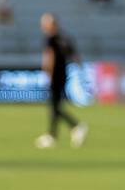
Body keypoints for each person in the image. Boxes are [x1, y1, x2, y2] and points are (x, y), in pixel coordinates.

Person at [36, 12, 87, 149]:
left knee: (55, 106)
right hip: (64, 75)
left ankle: (75, 126)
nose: (43, 27)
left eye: (44, 24)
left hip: (55, 76)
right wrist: (80, 71)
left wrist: (48, 73)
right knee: (55, 106)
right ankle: (52, 135)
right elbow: (75, 56)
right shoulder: (65, 38)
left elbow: (49, 57)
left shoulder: (51, 39)